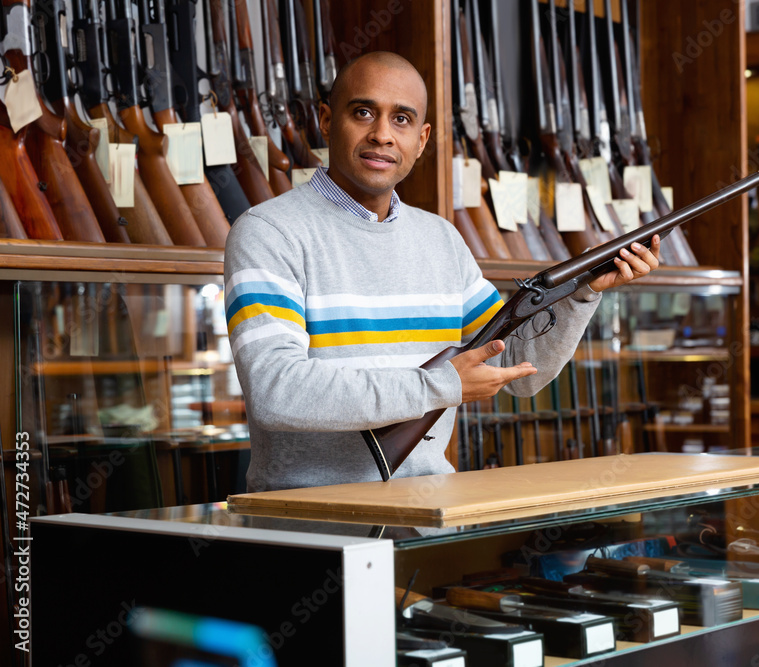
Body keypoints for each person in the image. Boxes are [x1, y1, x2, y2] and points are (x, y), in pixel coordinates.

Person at [224, 52, 660, 492]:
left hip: (429, 510)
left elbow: (512, 365)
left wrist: (584, 292)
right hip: (307, 523)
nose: (381, 135)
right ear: (325, 120)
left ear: (422, 138)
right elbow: (276, 392)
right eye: (363, 112)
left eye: (402, 120)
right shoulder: (267, 232)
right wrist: (439, 387)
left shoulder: (441, 239)